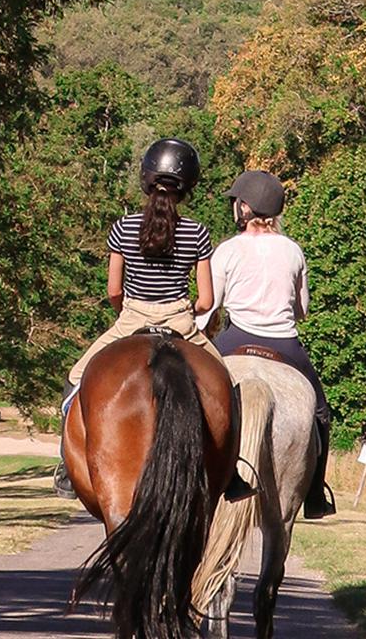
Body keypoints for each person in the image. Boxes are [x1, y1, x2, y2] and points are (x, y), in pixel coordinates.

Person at [52, 137, 220, 497]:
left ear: (146, 178)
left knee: (75, 381)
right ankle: (231, 469)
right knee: (229, 388)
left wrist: (126, 314)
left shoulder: (123, 227)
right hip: (181, 323)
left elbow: (114, 290)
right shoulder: (197, 232)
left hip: (131, 318)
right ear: (189, 185)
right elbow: (206, 299)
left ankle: (67, 467)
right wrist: (188, 309)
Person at [206, 170, 335, 518]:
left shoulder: (227, 250)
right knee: (321, 413)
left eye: (236, 202)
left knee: (192, 396)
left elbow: (211, 306)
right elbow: (302, 309)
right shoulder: (293, 250)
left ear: (245, 207)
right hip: (285, 343)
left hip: (235, 338)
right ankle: (315, 494)